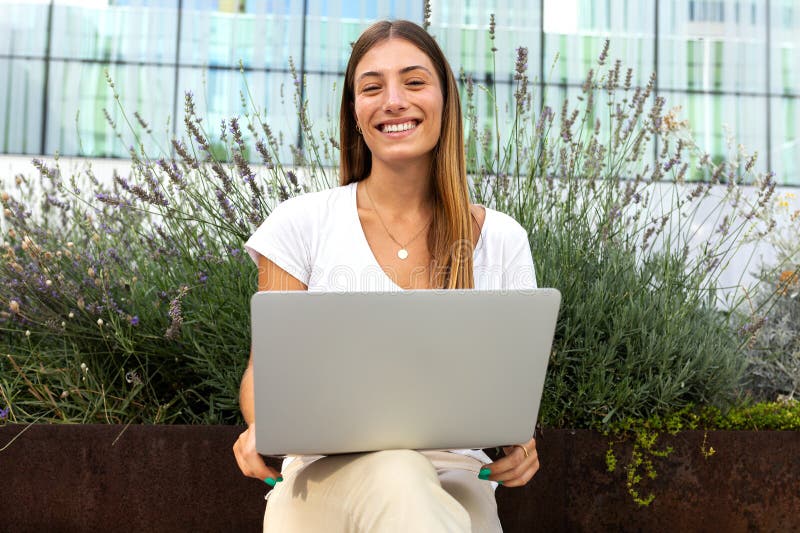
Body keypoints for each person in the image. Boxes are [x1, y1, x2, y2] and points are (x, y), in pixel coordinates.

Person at [233, 19, 540, 532]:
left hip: (456, 482)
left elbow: (511, 391)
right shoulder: (301, 224)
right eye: (372, 87)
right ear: (355, 113)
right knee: (397, 470)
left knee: (410, 479)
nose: (393, 100)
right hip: (322, 485)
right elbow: (265, 371)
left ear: (445, 101)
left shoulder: (503, 240)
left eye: (414, 82)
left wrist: (520, 445)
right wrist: (261, 424)